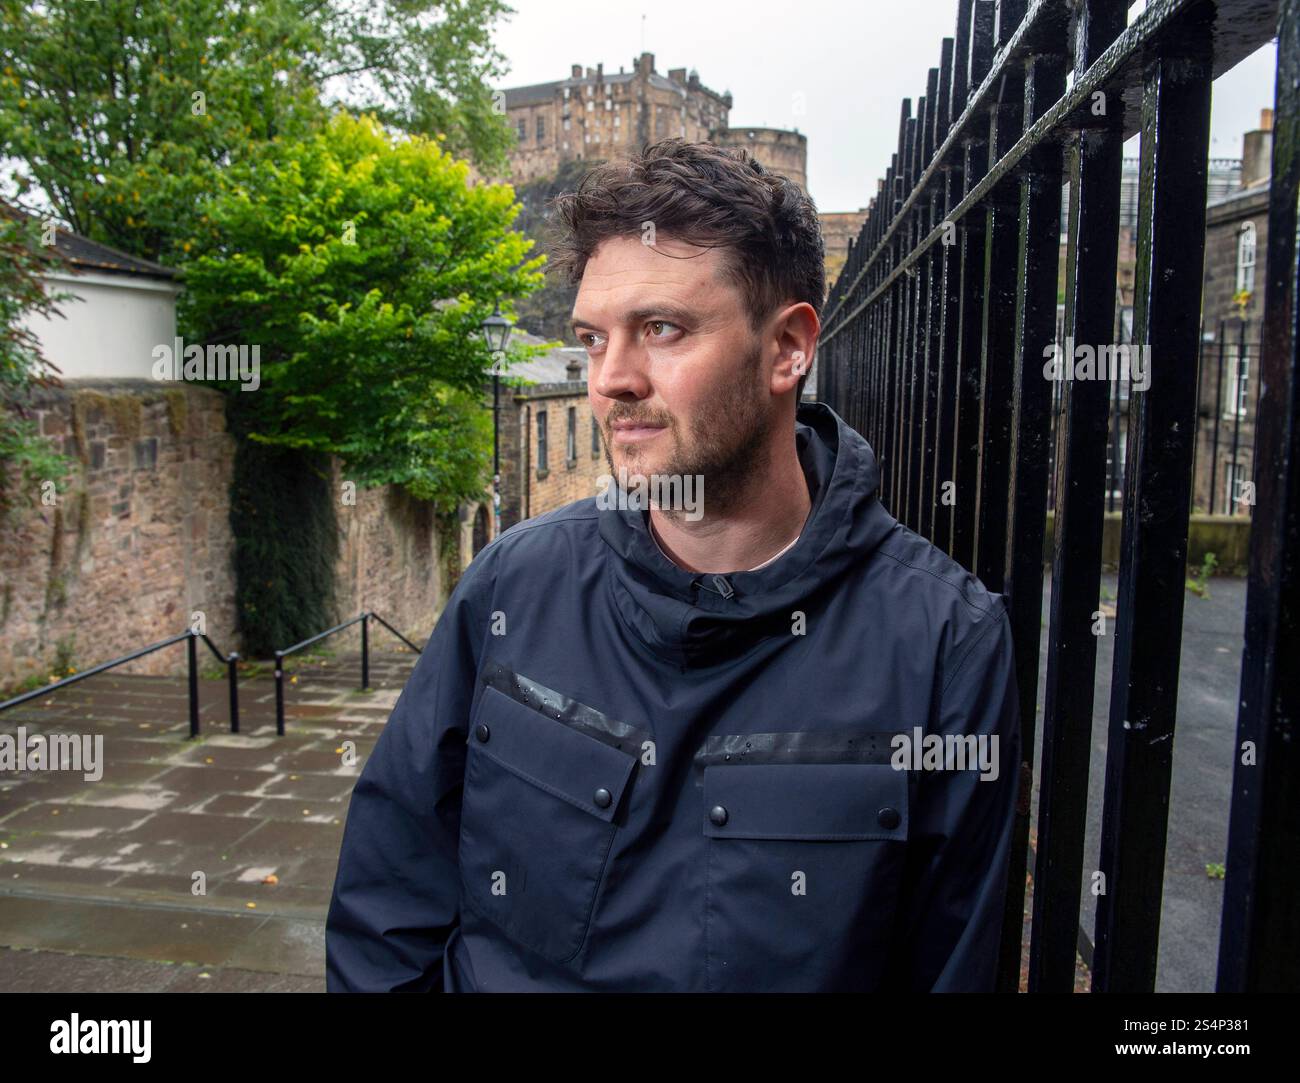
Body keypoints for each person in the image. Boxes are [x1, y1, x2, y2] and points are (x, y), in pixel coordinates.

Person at [325, 138, 1021, 992]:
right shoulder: (514, 584)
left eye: (660, 329)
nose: (612, 379)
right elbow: (386, 908)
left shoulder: (944, 644)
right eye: (591, 338)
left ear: (787, 348)